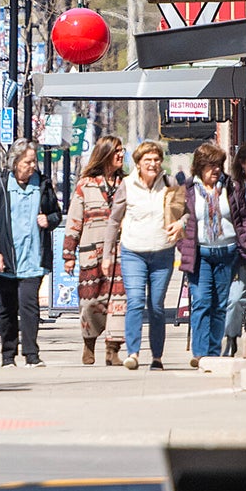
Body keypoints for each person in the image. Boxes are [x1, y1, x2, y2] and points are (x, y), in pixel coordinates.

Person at [0, 138, 63, 368]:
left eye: (34, 161)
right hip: (6, 256)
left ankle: (31, 355)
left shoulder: (43, 184)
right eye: (27, 162)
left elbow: (56, 214)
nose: (32, 166)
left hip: (33, 256)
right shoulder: (1, 185)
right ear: (15, 162)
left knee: (29, 304)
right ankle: (8, 355)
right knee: (7, 307)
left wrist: (49, 219)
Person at [104, 140, 185, 370]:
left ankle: (157, 356)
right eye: (147, 160)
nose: (153, 163)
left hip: (162, 252)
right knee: (136, 302)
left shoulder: (170, 183)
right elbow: (114, 220)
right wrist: (108, 254)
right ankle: (133, 353)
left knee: (157, 306)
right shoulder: (127, 185)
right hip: (133, 253)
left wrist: (180, 224)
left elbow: (186, 214)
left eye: (157, 159)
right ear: (138, 163)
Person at [178, 141, 246, 366]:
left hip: (227, 251)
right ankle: (200, 353)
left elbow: (244, 217)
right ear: (200, 167)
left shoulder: (232, 187)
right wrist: (184, 247)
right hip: (200, 254)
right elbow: (179, 220)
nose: (216, 170)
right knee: (201, 301)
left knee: (220, 304)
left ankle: (213, 352)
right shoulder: (189, 190)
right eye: (210, 165)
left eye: (219, 165)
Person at [61, 135, 127, 366]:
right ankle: (89, 342)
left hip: (120, 252)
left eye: (122, 150)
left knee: (118, 300)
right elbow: (74, 220)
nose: (121, 154)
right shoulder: (85, 185)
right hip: (92, 252)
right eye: (116, 150)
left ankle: (113, 349)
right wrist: (68, 255)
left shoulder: (126, 184)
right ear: (105, 153)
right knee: (90, 301)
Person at [221, 141, 246, 356]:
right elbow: (235, 222)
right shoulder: (234, 190)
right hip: (242, 252)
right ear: (242, 164)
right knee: (235, 299)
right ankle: (231, 337)